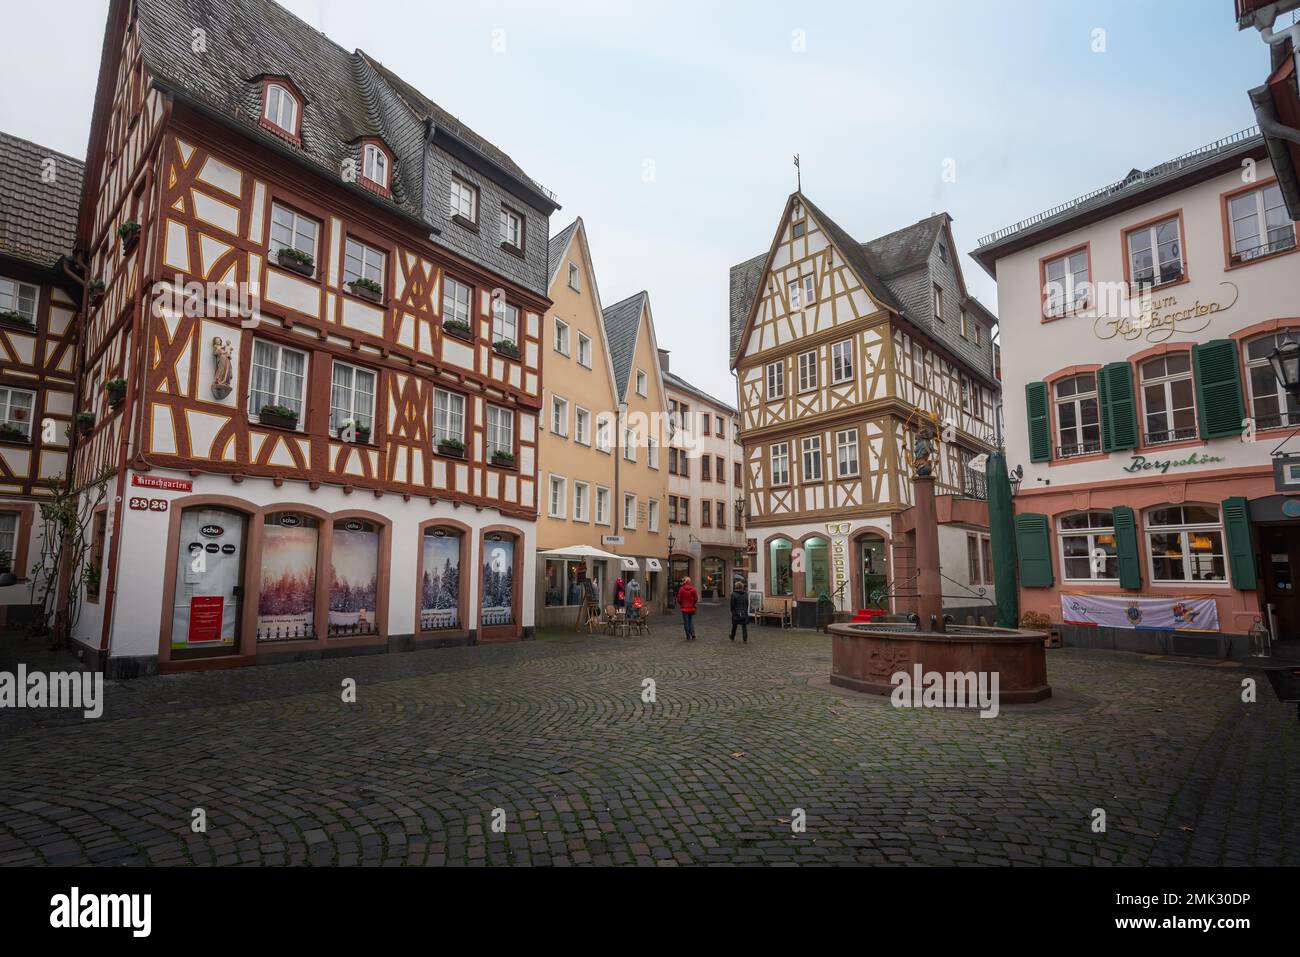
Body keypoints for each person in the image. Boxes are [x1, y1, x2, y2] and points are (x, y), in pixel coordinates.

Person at [676, 576, 698, 641]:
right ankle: (693, 633)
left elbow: (679, 599)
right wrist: (693, 603)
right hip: (691, 608)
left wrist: (681, 604)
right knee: (690, 621)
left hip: (684, 608)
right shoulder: (693, 589)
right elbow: (696, 598)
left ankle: (688, 635)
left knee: (686, 622)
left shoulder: (681, 589)